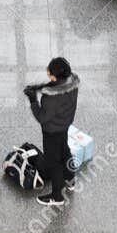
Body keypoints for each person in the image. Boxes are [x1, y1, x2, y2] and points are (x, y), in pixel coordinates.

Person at [25, 57, 80, 207]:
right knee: (65, 151)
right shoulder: (72, 83)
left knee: (53, 161)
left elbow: (42, 117)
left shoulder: (51, 98)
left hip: (51, 131)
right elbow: (58, 85)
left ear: (53, 76)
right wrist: (39, 88)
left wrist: (33, 100)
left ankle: (57, 196)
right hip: (64, 125)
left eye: (49, 72)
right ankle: (70, 179)